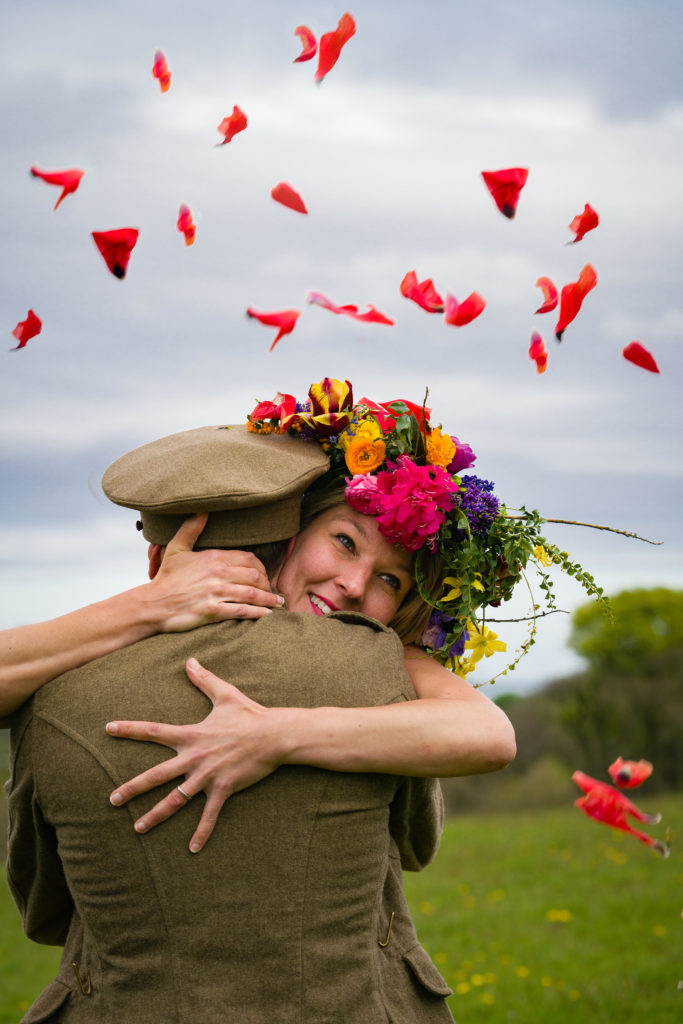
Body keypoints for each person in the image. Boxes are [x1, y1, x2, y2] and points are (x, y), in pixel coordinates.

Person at [7, 422, 457, 1022]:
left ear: (155, 557)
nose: (352, 586)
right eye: (346, 543)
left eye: (388, 578)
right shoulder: (376, 671)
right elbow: (415, 844)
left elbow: (43, 908)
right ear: (286, 539)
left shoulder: (51, 700)